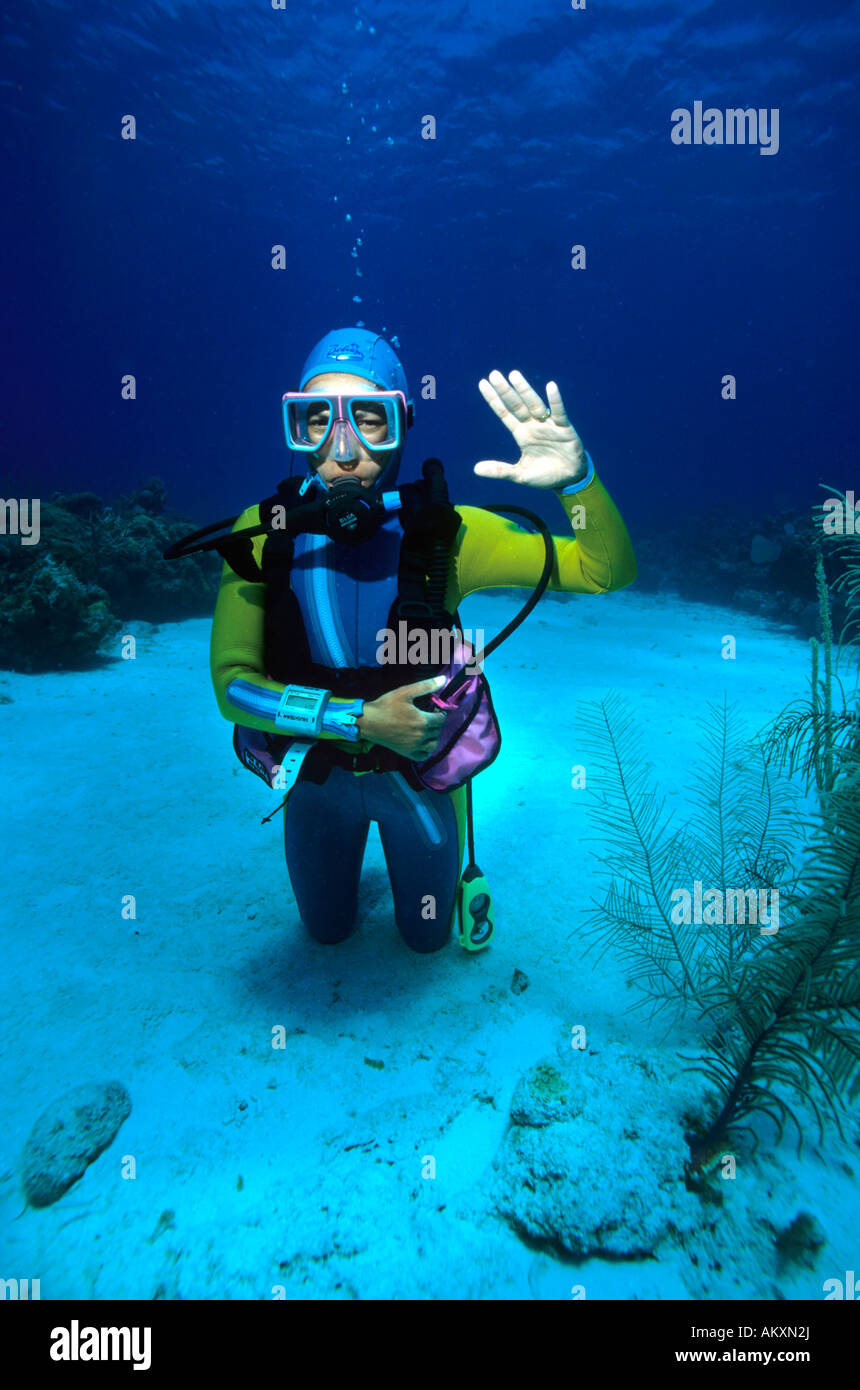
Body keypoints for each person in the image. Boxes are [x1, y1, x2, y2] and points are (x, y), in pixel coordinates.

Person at [209, 327, 636, 953]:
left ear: (403, 424)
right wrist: (360, 719)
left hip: (422, 783)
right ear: (293, 427)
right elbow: (232, 689)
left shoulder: (449, 534)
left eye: (370, 421)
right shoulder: (258, 536)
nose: (344, 451)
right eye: (315, 421)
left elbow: (605, 572)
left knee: (427, 938)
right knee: (324, 933)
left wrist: (578, 483)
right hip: (316, 784)